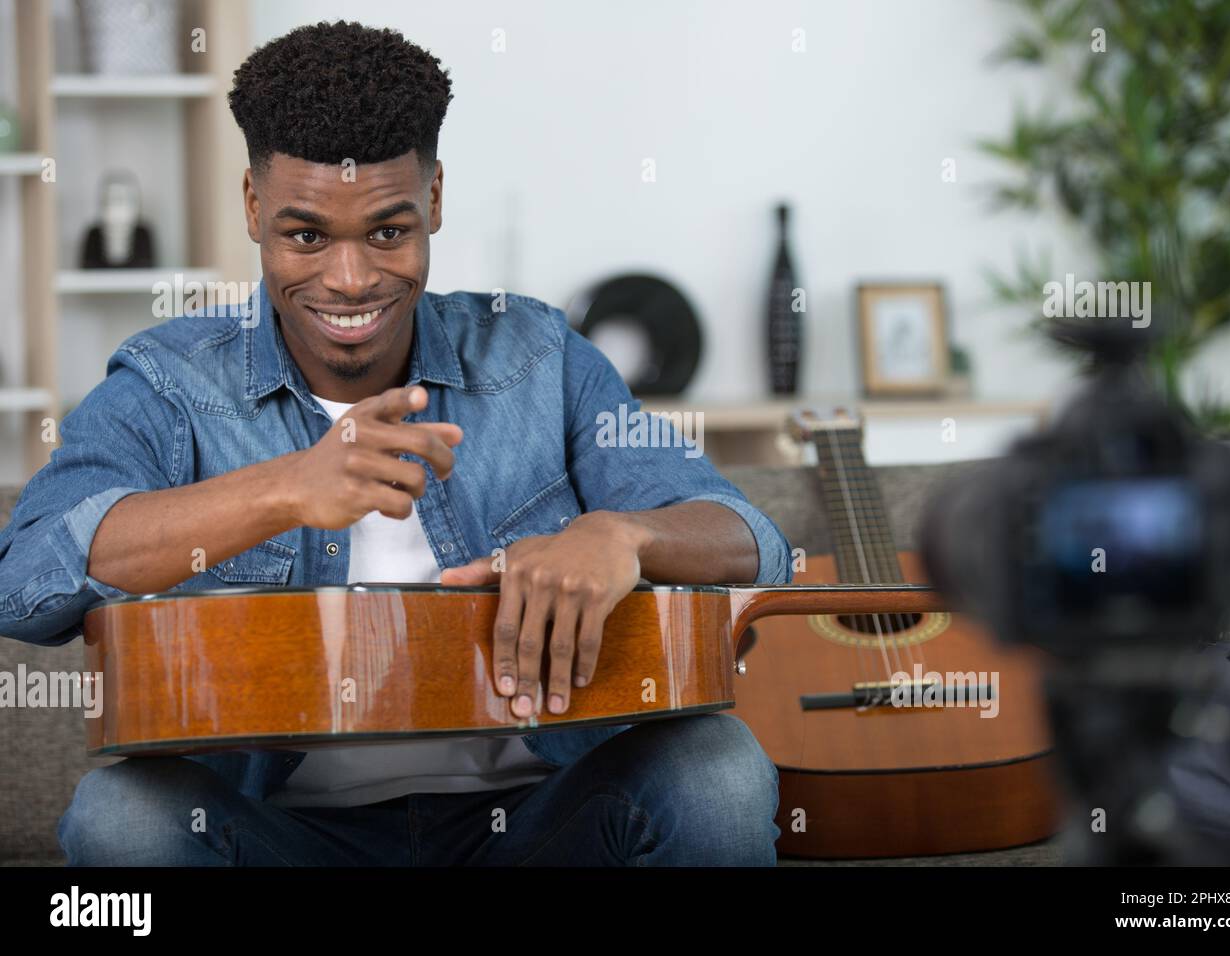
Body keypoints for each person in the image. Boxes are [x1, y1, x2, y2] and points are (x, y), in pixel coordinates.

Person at [0, 21, 791, 866]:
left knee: (716, 767)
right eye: (307, 235)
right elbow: (23, 585)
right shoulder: (168, 381)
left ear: (436, 199)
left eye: (388, 231)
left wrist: (625, 534)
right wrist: (283, 489)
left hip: (531, 826)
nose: (350, 280)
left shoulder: (538, 357)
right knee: (119, 816)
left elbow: (756, 542)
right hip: (285, 839)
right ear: (253, 207)